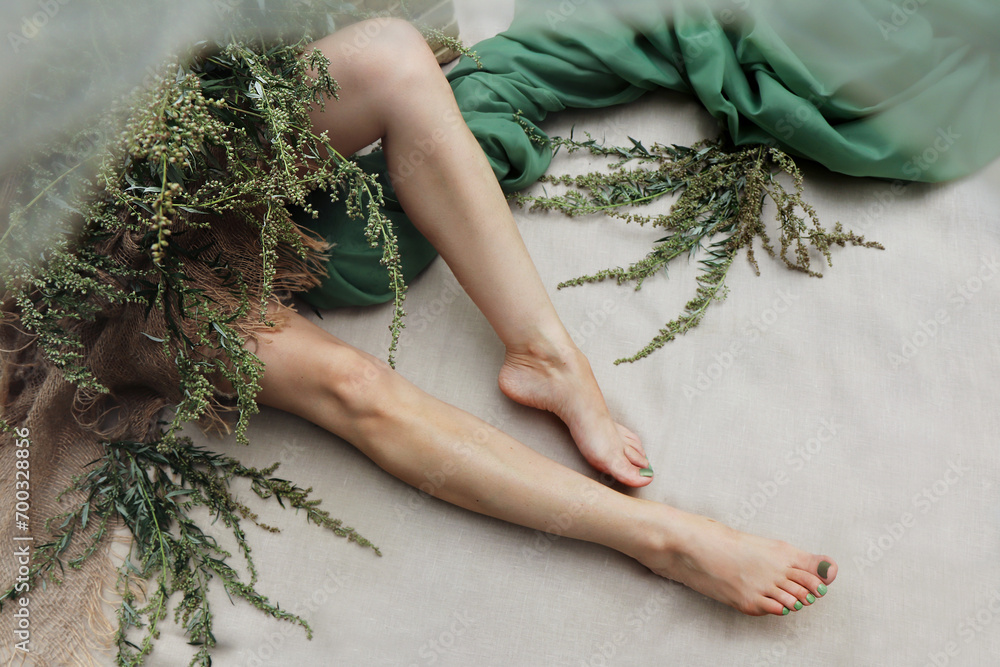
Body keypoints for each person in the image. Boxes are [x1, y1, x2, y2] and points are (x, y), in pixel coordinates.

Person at [221, 16, 838, 618]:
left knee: (391, 51)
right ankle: (667, 541)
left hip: (166, 149)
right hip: (128, 285)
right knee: (350, 385)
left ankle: (546, 353)